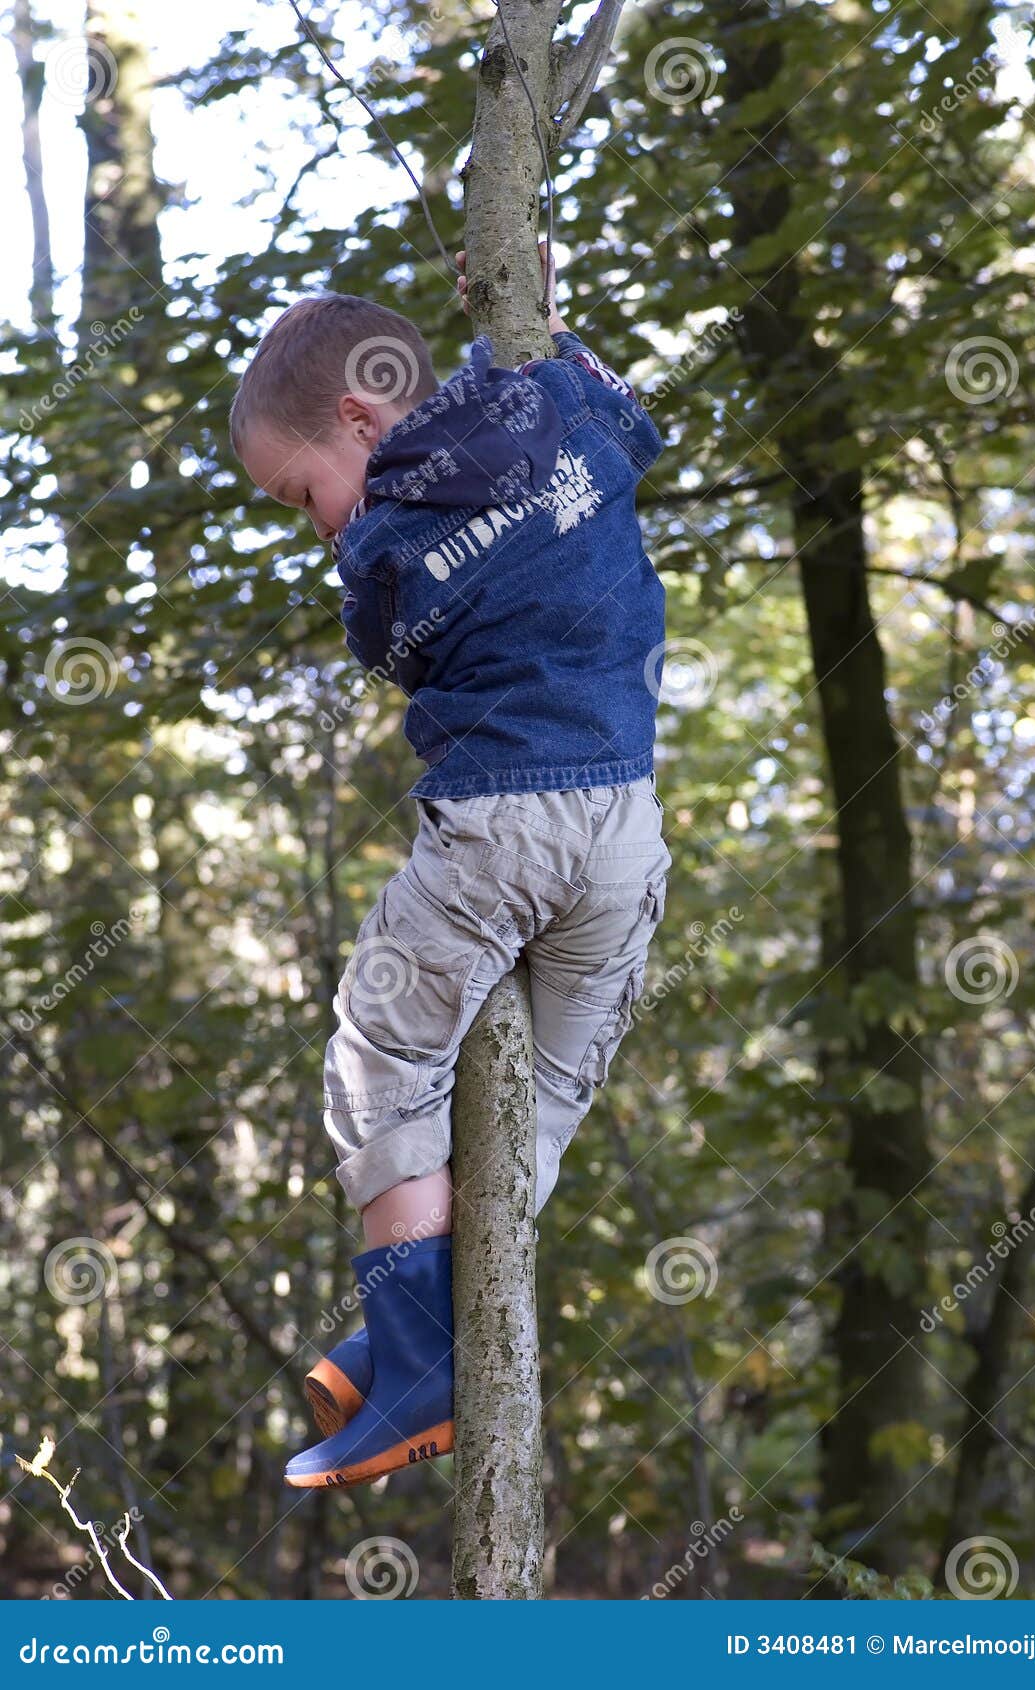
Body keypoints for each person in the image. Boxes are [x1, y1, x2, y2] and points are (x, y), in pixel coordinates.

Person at [229, 244, 672, 1489]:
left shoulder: (380, 540)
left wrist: (363, 541)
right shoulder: (555, 408)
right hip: (627, 826)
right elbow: (616, 414)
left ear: (360, 421)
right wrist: (533, 315)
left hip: (503, 819)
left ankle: (420, 1358)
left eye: (297, 493)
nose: (311, 523)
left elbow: (388, 647)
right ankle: (419, 1326)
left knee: (382, 1052)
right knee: (549, 1086)